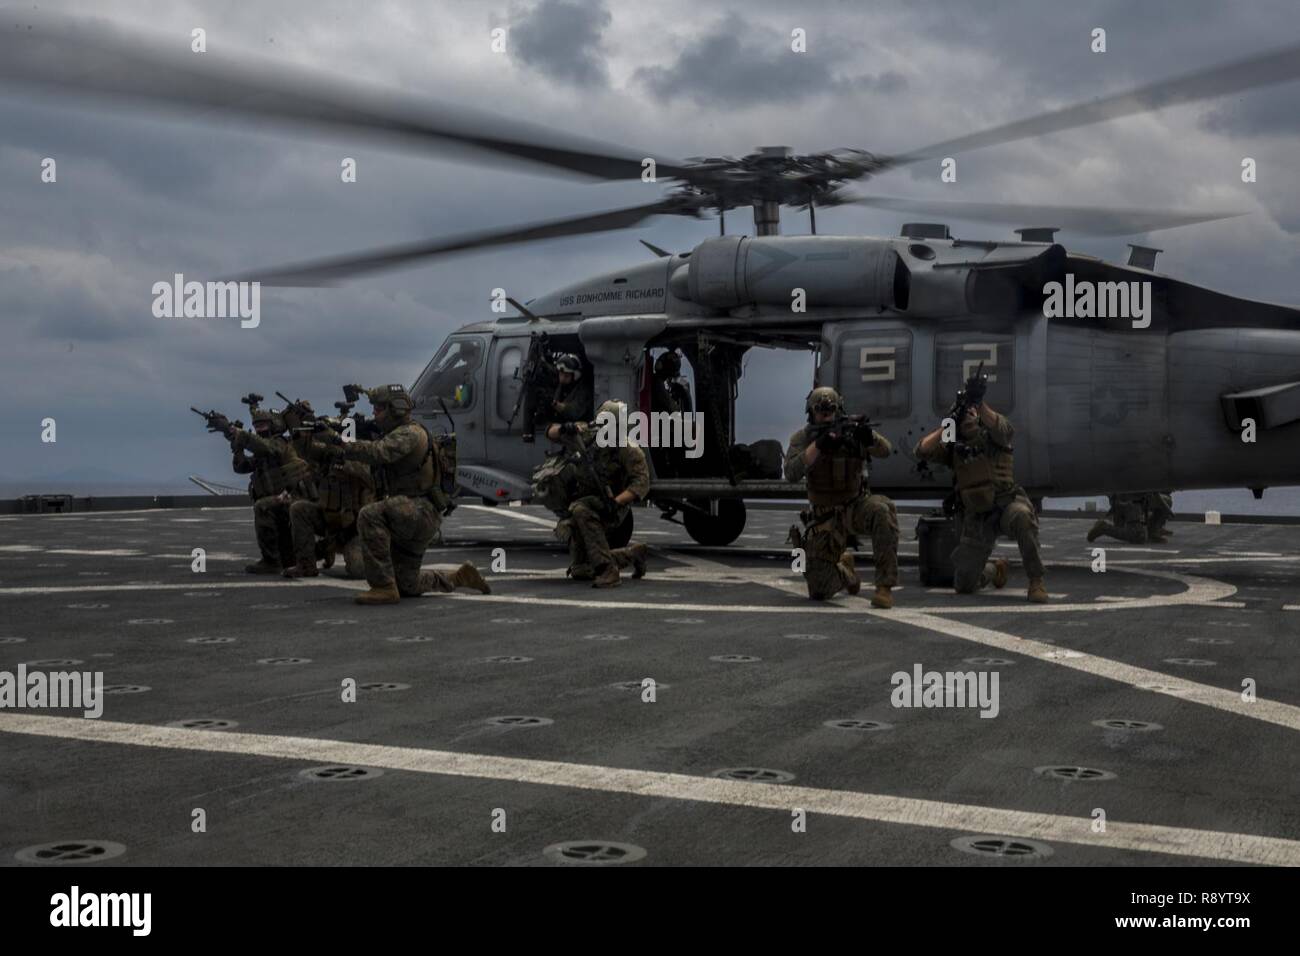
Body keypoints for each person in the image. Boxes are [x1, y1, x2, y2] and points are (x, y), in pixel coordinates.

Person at [322, 384, 489, 604]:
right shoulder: (402, 432)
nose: (375, 413)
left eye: (379, 409)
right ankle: (458, 578)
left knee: (370, 515)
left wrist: (338, 441)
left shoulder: (410, 433)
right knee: (407, 584)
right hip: (417, 515)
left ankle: (382, 587)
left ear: (396, 409)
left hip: (417, 510)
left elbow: (378, 452)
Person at [914, 392, 1047, 602]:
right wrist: (947, 425)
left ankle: (1036, 581)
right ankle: (994, 570)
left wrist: (979, 403)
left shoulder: (994, 437)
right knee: (964, 585)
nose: (967, 417)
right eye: (963, 416)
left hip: (1006, 505)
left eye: (971, 413)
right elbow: (921, 451)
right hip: (977, 516)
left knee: (1022, 516)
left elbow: (1004, 428)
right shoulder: (954, 448)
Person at [784, 387, 899, 608]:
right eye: (820, 410)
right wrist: (818, 446)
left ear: (839, 410)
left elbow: (885, 450)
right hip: (825, 517)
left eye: (831, 409)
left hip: (855, 506)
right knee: (819, 589)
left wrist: (868, 437)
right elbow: (791, 473)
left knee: (883, 511)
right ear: (811, 412)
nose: (826, 414)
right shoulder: (803, 438)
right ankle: (847, 572)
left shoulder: (850, 431)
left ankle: (884, 587)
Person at [545, 399, 649, 587]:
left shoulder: (629, 450)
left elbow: (641, 483)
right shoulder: (587, 434)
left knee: (580, 510)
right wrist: (564, 429)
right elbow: (550, 432)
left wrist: (616, 502)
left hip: (613, 507)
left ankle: (608, 570)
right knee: (581, 570)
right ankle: (632, 555)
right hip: (587, 499)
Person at [283, 404, 375, 579]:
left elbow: (365, 473)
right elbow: (306, 450)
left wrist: (342, 451)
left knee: (359, 571)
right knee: (300, 509)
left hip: (355, 527)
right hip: (329, 519)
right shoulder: (331, 453)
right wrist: (302, 422)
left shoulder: (368, 454)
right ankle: (306, 566)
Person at [227, 406, 316, 575]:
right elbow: (242, 467)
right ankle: (282, 558)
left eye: (263, 425)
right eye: (257, 426)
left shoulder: (280, 442)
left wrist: (242, 435)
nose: (260, 429)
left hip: (291, 495)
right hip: (280, 498)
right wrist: (237, 448)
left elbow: (267, 447)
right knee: (285, 548)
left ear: (273, 425)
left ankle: (271, 561)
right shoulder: (262, 451)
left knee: (262, 506)